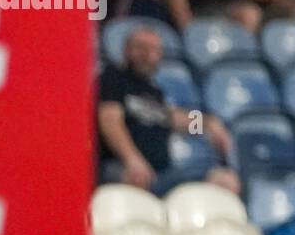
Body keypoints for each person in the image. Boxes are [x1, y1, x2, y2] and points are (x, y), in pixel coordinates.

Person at [97, 27, 237, 196]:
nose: (149, 55)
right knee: (135, 178)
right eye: (141, 48)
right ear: (127, 50)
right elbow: (109, 120)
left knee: (225, 181)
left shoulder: (154, 91)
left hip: (162, 173)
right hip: (120, 166)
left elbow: (172, 119)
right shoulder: (113, 78)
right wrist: (131, 159)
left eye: (155, 50)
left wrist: (208, 124)